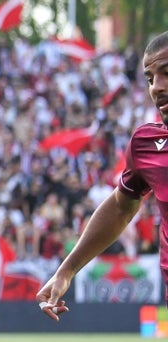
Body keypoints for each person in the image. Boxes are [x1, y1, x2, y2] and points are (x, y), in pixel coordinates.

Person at [37, 31, 168, 321]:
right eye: (149, 79)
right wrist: (66, 270)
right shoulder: (146, 144)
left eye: (166, 73)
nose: (157, 87)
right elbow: (121, 208)